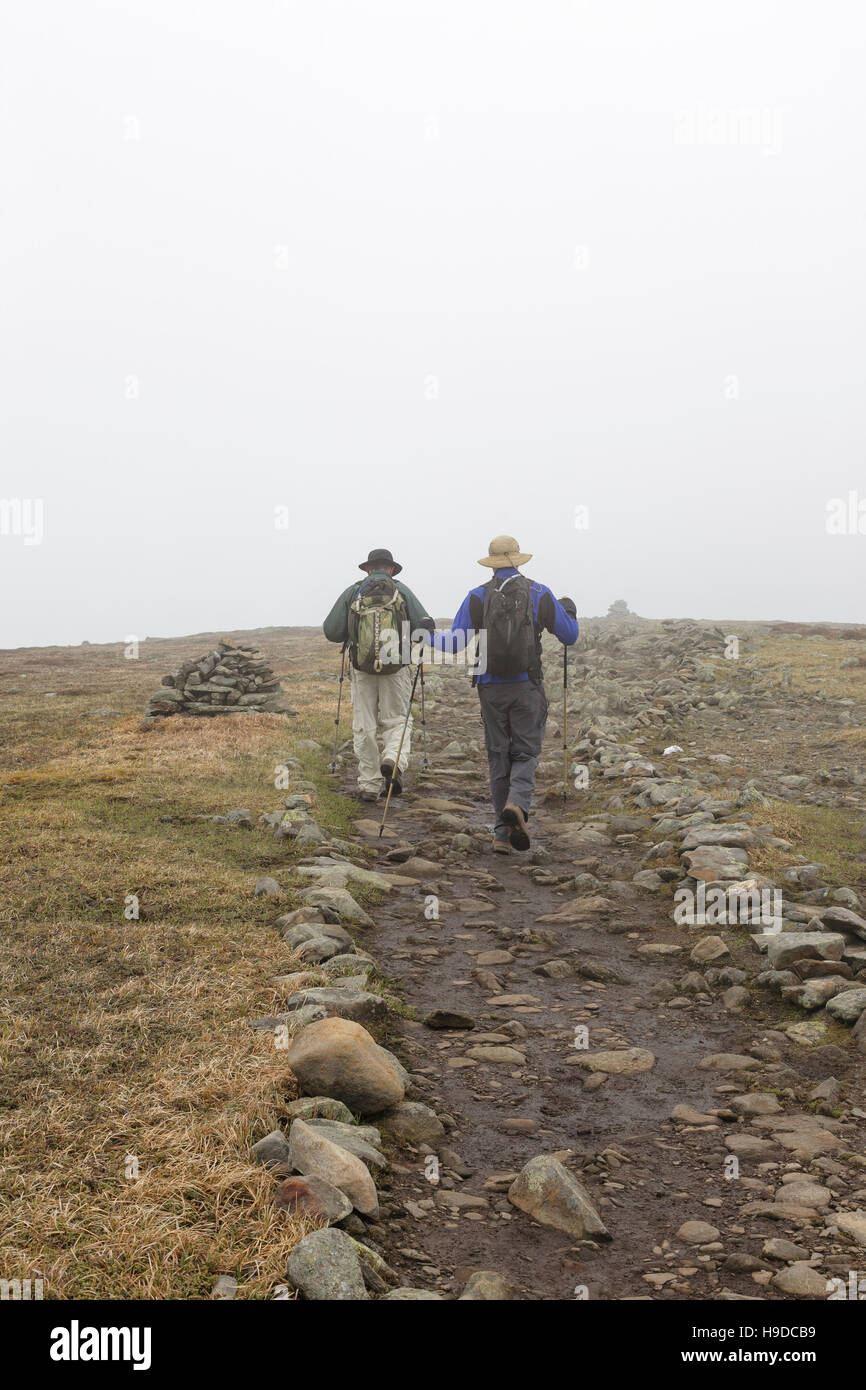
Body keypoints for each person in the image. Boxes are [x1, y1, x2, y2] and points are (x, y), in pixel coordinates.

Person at [433, 535, 578, 853]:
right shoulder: (539, 593)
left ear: (492, 563)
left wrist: (427, 634)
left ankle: (501, 833)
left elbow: (455, 643)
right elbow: (569, 636)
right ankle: (517, 802)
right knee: (525, 753)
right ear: (517, 560)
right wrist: (570, 613)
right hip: (527, 687)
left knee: (499, 756)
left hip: (490, 687)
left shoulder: (477, 596)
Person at [323, 548, 434, 802]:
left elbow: (331, 630)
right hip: (396, 667)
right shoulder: (402, 591)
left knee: (365, 724)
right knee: (397, 719)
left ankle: (370, 785)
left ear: (368, 569)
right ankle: (393, 759)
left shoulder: (354, 591)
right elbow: (423, 627)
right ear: (391, 568)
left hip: (362, 668)